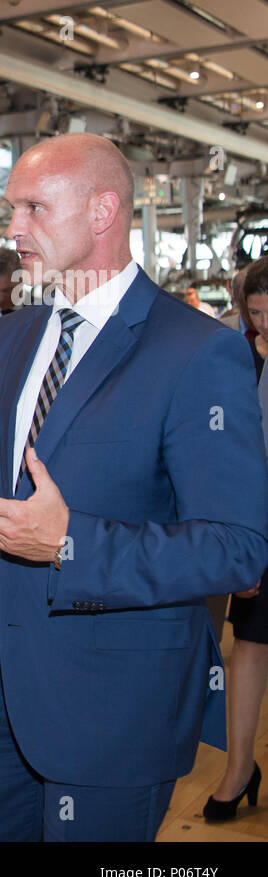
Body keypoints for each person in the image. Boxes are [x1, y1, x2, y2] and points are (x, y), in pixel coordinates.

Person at [0, 133, 268, 841]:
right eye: (12, 208)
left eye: (34, 207)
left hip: (112, 710)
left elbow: (237, 548)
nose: (12, 230)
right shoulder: (14, 338)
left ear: (103, 211)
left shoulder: (196, 351)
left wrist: (72, 545)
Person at [205, 255, 268, 822]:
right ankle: (239, 767)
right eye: (256, 313)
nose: (266, 323)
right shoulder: (238, 356)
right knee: (249, 644)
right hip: (259, 520)